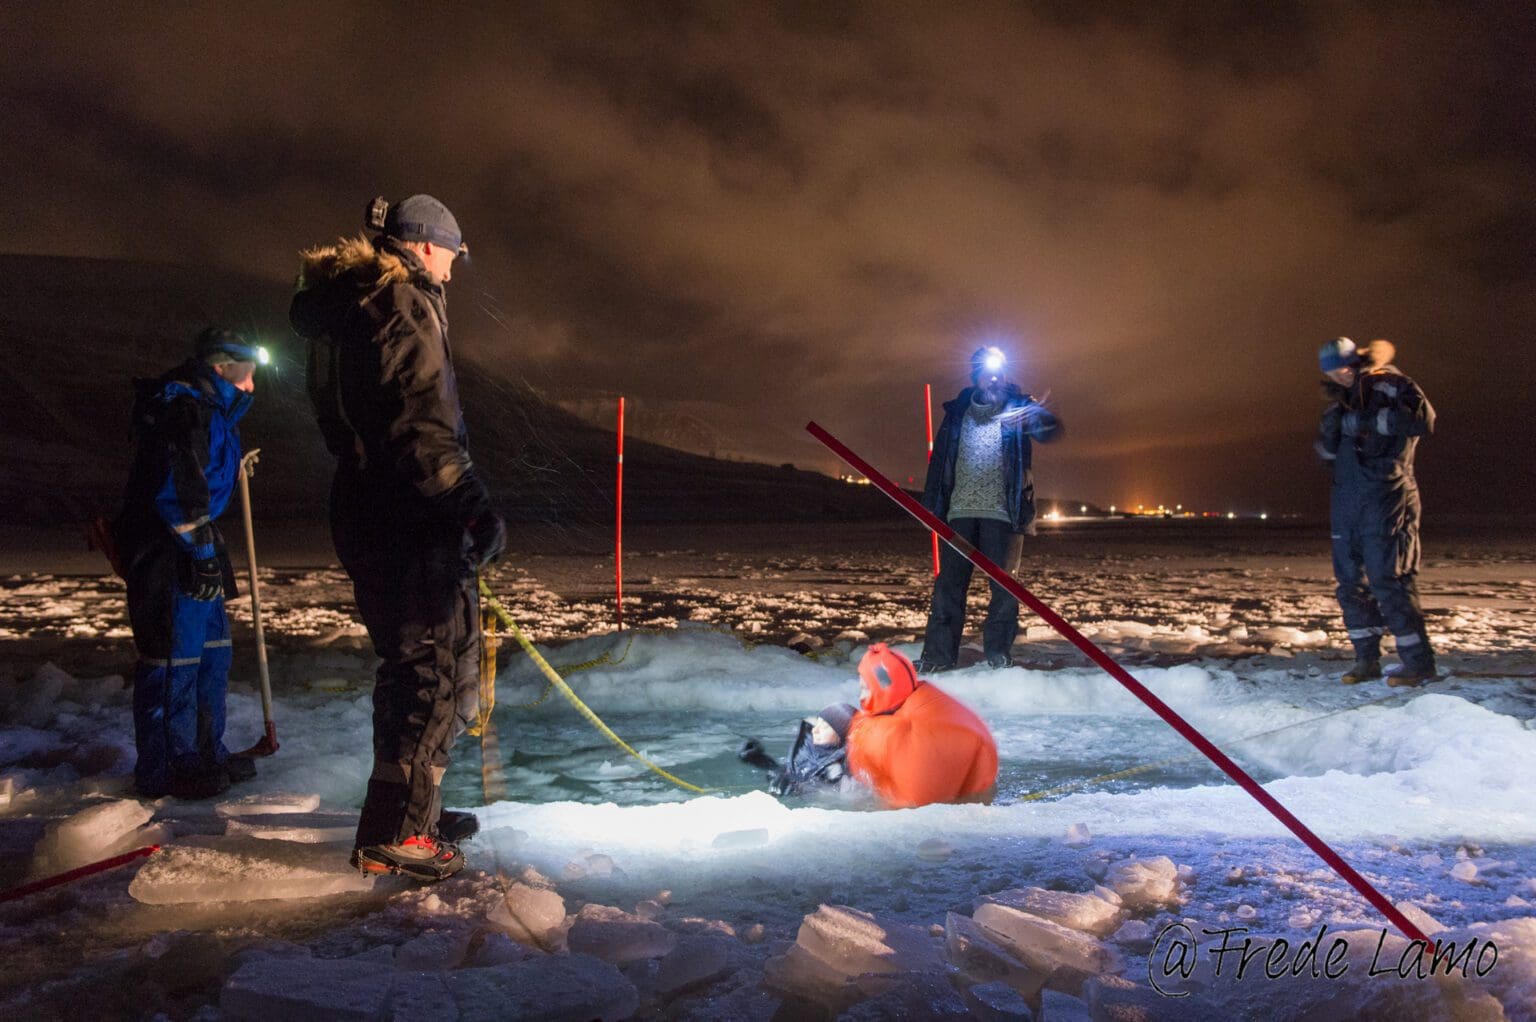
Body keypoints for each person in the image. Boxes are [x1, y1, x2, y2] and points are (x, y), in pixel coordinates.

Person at [290, 194, 505, 881]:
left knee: (422, 666)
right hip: (409, 511)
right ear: (426, 246)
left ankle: (413, 814)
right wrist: (467, 501)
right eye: (451, 254)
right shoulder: (401, 304)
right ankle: (400, 834)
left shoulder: (352, 305)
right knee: (432, 668)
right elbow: (417, 419)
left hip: (370, 505)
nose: (452, 269)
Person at [115, 328, 264, 799]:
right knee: (173, 658)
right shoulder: (183, 409)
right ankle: (166, 766)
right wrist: (198, 549)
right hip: (167, 546)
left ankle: (204, 752)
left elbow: (205, 472)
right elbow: (177, 486)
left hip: (198, 540)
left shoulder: (215, 412)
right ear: (220, 368)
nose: (251, 386)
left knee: (212, 652)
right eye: (245, 374)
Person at [917, 346, 1062, 672]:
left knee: (1004, 589)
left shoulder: (1018, 408)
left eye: (999, 372)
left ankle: (999, 656)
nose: (993, 378)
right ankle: (937, 658)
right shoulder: (957, 411)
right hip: (959, 513)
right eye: (987, 372)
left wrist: (1037, 414)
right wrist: (932, 506)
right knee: (948, 588)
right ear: (976, 376)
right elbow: (940, 461)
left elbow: (1049, 431)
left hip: (1004, 513)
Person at [1315, 337, 1437, 686]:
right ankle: (1366, 660)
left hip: (1387, 495)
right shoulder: (1339, 403)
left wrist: (1367, 421)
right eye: (1331, 370)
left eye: (1344, 365)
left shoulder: (1394, 384)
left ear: (1356, 359)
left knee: (1389, 577)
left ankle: (1418, 663)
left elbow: (1422, 420)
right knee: (1350, 582)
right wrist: (1329, 439)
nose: (1339, 373)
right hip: (1347, 500)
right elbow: (1327, 456)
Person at [845, 644, 997, 808]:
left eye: (865, 689)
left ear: (883, 688)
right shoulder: (932, 700)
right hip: (976, 789)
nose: (861, 697)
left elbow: (912, 806)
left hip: (926, 806)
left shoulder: (890, 731)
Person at [739, 702, 857, 797]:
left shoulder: (838, 769)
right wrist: (758, 759)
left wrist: (797, 787)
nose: (815, 730)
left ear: (840, 736)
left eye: (825, 727)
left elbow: (830, 796)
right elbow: (789, 771)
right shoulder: (811, 750)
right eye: (818, 724)